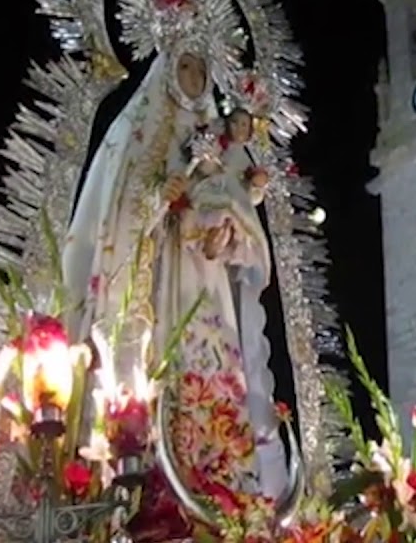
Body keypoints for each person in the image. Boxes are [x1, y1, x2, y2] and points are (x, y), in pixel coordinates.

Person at [60, 31, 287, 518]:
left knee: (215, 374)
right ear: (166, 72)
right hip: (158, 279)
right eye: (185, 68)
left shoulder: (221, 139)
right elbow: (118, 215)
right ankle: (153, 488)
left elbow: (238, 212)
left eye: (202, 71)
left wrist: (232, 222)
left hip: (206, 283)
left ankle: (223, 489)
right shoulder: (142, 132)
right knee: (163, 370)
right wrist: (163, 193)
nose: (194, 79)